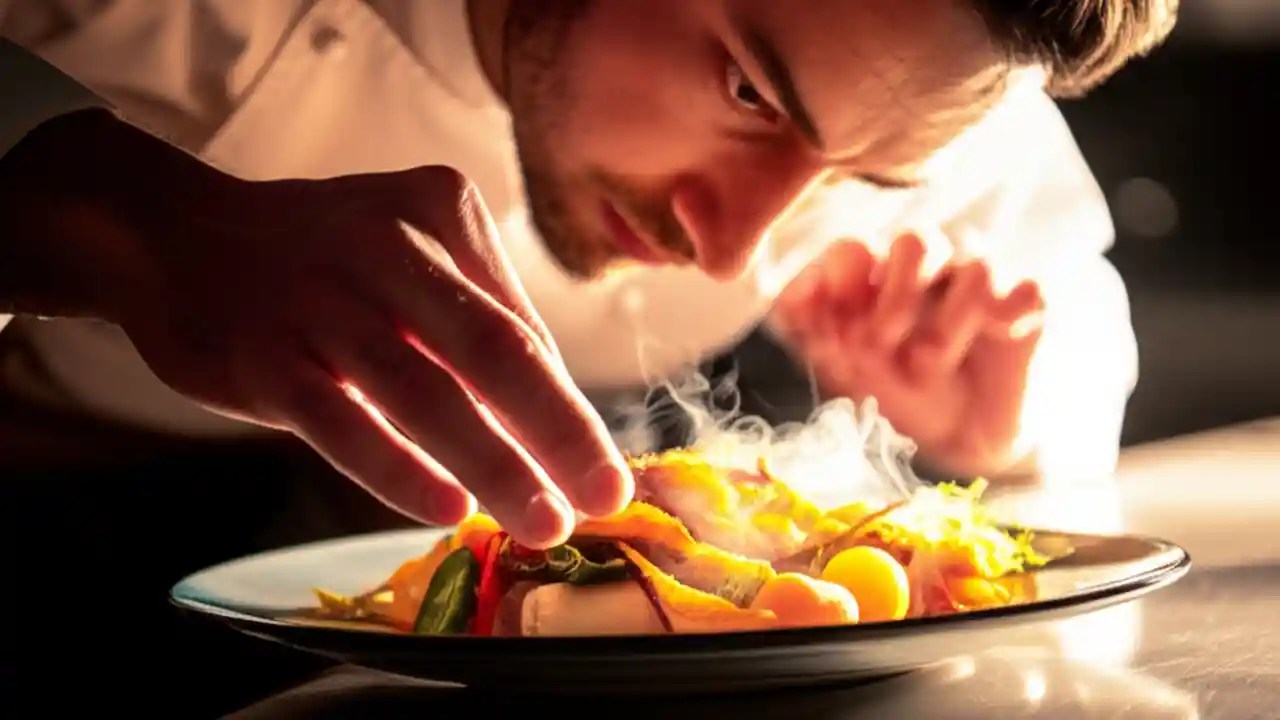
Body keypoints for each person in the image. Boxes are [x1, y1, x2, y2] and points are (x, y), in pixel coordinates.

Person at [0, 0, 1177, 550]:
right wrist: (117, 219)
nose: (735, 248)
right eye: (745, 93)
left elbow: (1068, 300)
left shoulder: (913, 67)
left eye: (860, 177)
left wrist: (1004, 416)